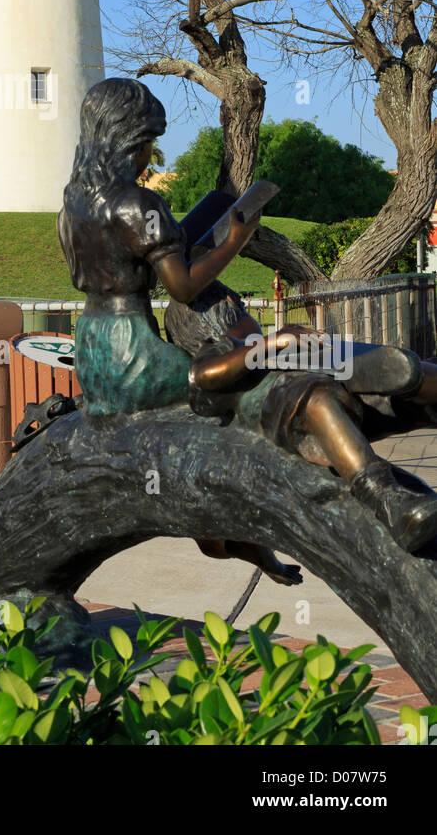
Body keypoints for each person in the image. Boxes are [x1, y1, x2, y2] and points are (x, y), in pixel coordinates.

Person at [58, 77, 437, 553]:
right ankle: (342, 382)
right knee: (227, 383)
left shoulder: (72, 205)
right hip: (137, 354)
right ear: (125, 138)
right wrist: (234, 239)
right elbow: (181, 285)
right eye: (146, 143)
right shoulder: (136, 202)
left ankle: (341, 370)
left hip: (95, 349)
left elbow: (125, 270)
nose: (146, 155)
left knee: (276, 367)